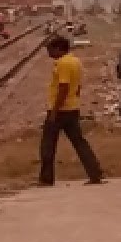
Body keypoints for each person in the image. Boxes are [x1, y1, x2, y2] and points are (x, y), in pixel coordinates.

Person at [38, 34, 104, 186]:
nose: (49, 53)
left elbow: (64, 87)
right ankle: (95, 173)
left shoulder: (62, 63)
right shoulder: (76, 61)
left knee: (48, 144)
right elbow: (77, 86)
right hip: (73, 108)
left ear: (59, 49)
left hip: (60, 110)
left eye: (50, 49)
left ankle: (46, 179)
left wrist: (55, 110)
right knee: (80, 142)